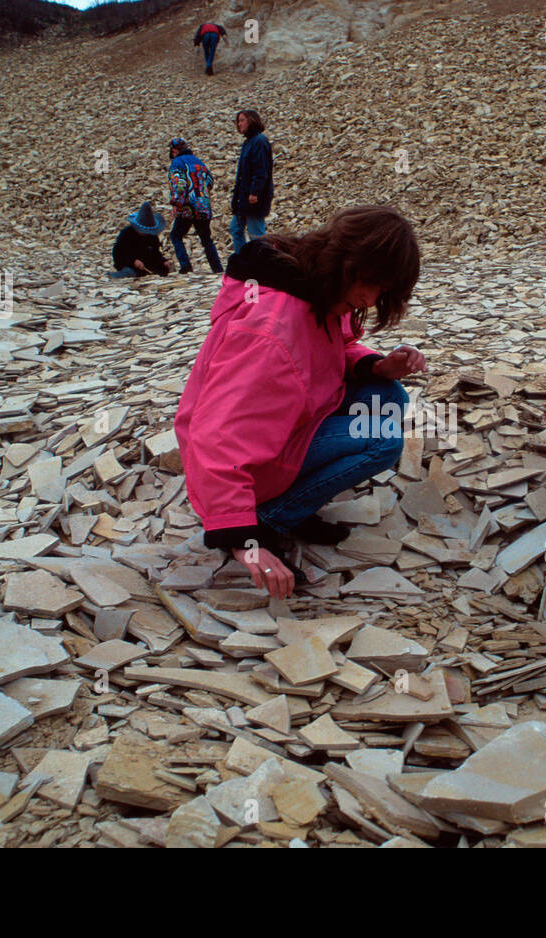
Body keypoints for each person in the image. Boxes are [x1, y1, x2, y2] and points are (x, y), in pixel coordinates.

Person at [175, 205, 426, 598]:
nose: (370, 298)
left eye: (382, 291)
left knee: (387, 396)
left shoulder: (314, 286)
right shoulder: (272, 328)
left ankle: (293, 507)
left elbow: (330, 351)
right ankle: (268, 520)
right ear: (346, 259)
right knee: (383, 439)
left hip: (290, 429)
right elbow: (216, 435)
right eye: (371, 283)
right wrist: (240, 536)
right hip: (244, 461)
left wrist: (377, 367)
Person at [167, 137, 222, 274]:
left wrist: (175, 202)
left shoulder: (177, 162)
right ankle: (217, 268)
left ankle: (185, 266)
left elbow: (179, 183)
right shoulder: (199, 162)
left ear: (174, 150)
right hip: (202, 205)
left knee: (176, 235)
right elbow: (210, 181)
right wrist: (202, 194)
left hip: (187, 206)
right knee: (206, 238)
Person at [229, 109, 272, 254]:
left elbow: (261, 170)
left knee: (256, 234)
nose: (239, 124)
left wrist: (255, 192)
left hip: (253, 197)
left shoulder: (259, 141)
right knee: (235, 229)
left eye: (242, 120)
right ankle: (243, 262)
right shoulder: (248, 142)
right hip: (243, 197)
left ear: (252, 120)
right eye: (238, 121)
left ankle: (261, 264)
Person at [111, 201, 169, 277]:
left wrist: (163, 261)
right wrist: (133, 261)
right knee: (130, 272)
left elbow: (155, 253)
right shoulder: (126, 233)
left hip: (146, 264)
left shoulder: (152, 236)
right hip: (128, 263)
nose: (145, 233)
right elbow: (118, 253)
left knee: (163, 270)